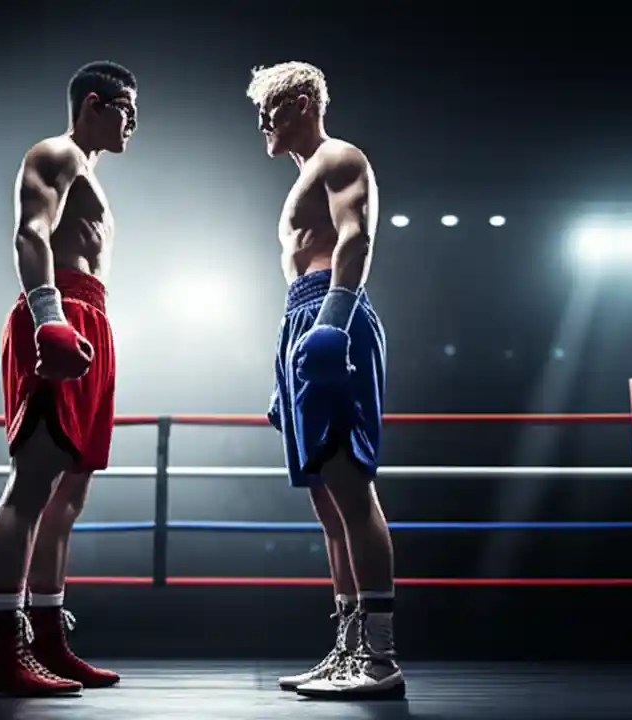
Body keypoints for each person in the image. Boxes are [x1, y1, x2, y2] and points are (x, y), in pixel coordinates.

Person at [0, 60, 138, 697]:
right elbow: (31, 233)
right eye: (127, 111)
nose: (133, 125)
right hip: (60, 311)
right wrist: (49, 317)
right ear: (94, 103)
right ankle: (4, 651)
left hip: (92, 315)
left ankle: (48, 640)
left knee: (68, 497)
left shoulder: (90, 173)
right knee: (31, 486)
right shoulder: (55, 152)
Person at [246, 61, 403, 699]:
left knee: (350, 487)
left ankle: (381, 659)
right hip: (300, 319)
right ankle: (348, 649)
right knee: (326, 501)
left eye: (271, 108)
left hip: (330, 314)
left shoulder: (340, 157)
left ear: (304, 103)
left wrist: (331, 324)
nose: (262, 122)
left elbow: (354, 240)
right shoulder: (306, 173)